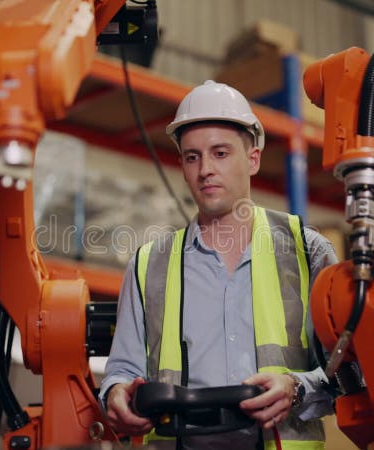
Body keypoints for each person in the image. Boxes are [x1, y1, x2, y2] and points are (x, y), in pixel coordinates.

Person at [99, 80, 338, 449]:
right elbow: (121, 371)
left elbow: (349, 373)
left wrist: (296, 389)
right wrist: (115, 394)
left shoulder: (308, 252)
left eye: (221, 153)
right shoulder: (148, 265)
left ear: (253, 159)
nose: (205, 169)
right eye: (192, 157)